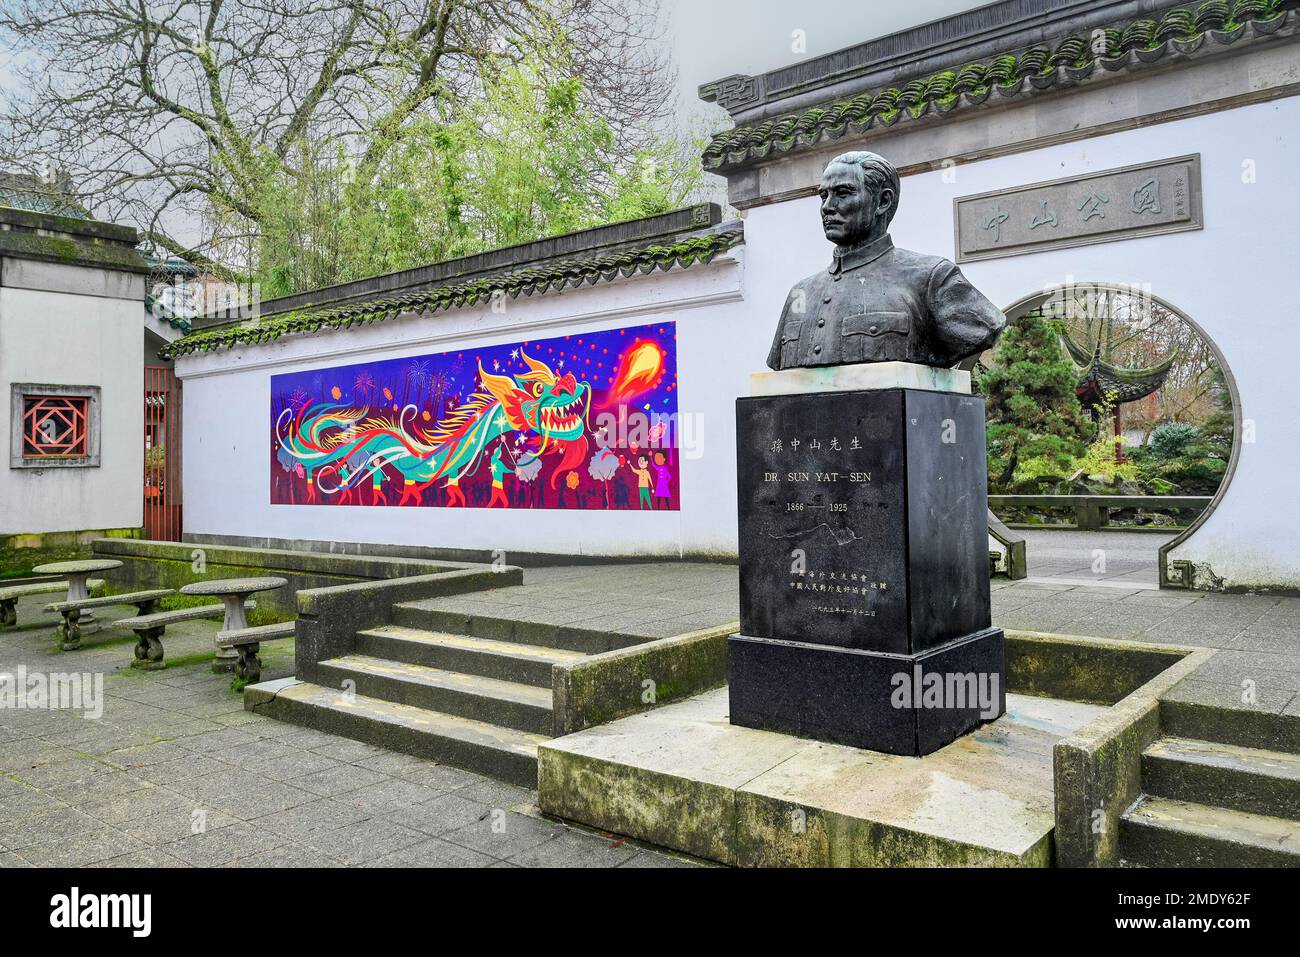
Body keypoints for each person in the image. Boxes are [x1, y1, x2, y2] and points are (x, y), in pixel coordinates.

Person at [766, 150, 1004, 371]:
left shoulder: (932, 278)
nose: (827, 207)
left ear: (883, 202)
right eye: (823, 196)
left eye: (842, 193)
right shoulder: (801, 293)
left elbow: (983, 329)